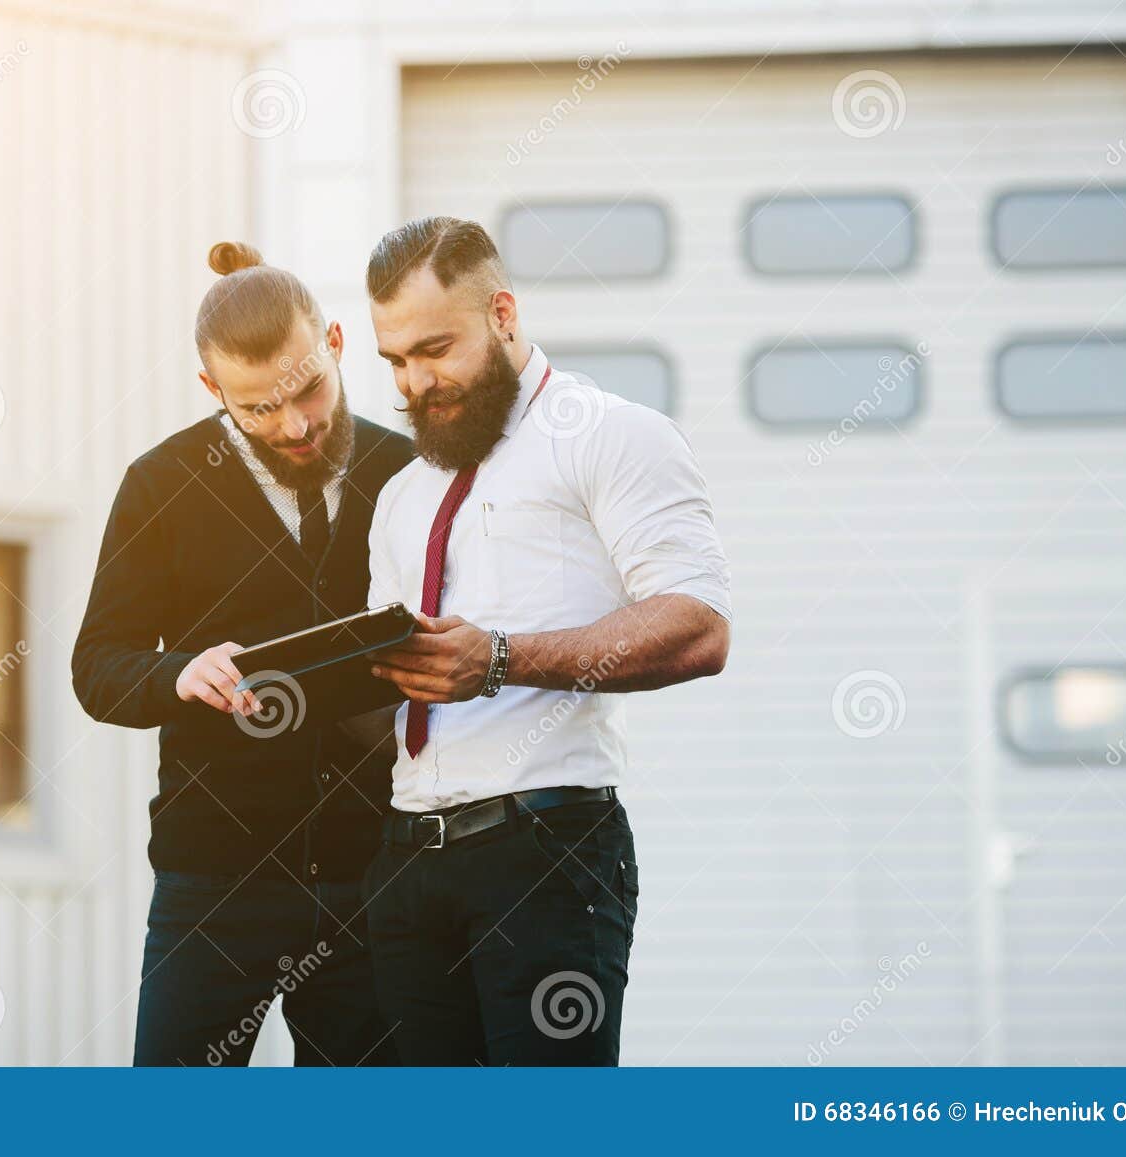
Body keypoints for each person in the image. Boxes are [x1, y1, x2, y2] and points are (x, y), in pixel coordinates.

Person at [360, 216, 732, 1065]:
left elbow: (698, 623)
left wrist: (498, 659)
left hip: (546, 855)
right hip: (407, 865)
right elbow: (396, 686)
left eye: (435, 349)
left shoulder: (612, 434)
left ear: (502, 313)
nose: (416, 382)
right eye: (396, 361)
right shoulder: (401, 494)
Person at [72, 241, 411, 1066]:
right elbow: (98, 665)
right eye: (258, 409)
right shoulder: (160, 485)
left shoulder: (407, 474)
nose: (295, 425)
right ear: (212, 390)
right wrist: (176, 673)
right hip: (214, 887)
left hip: (375, 880)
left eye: (309, 390)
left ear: (336, 343)